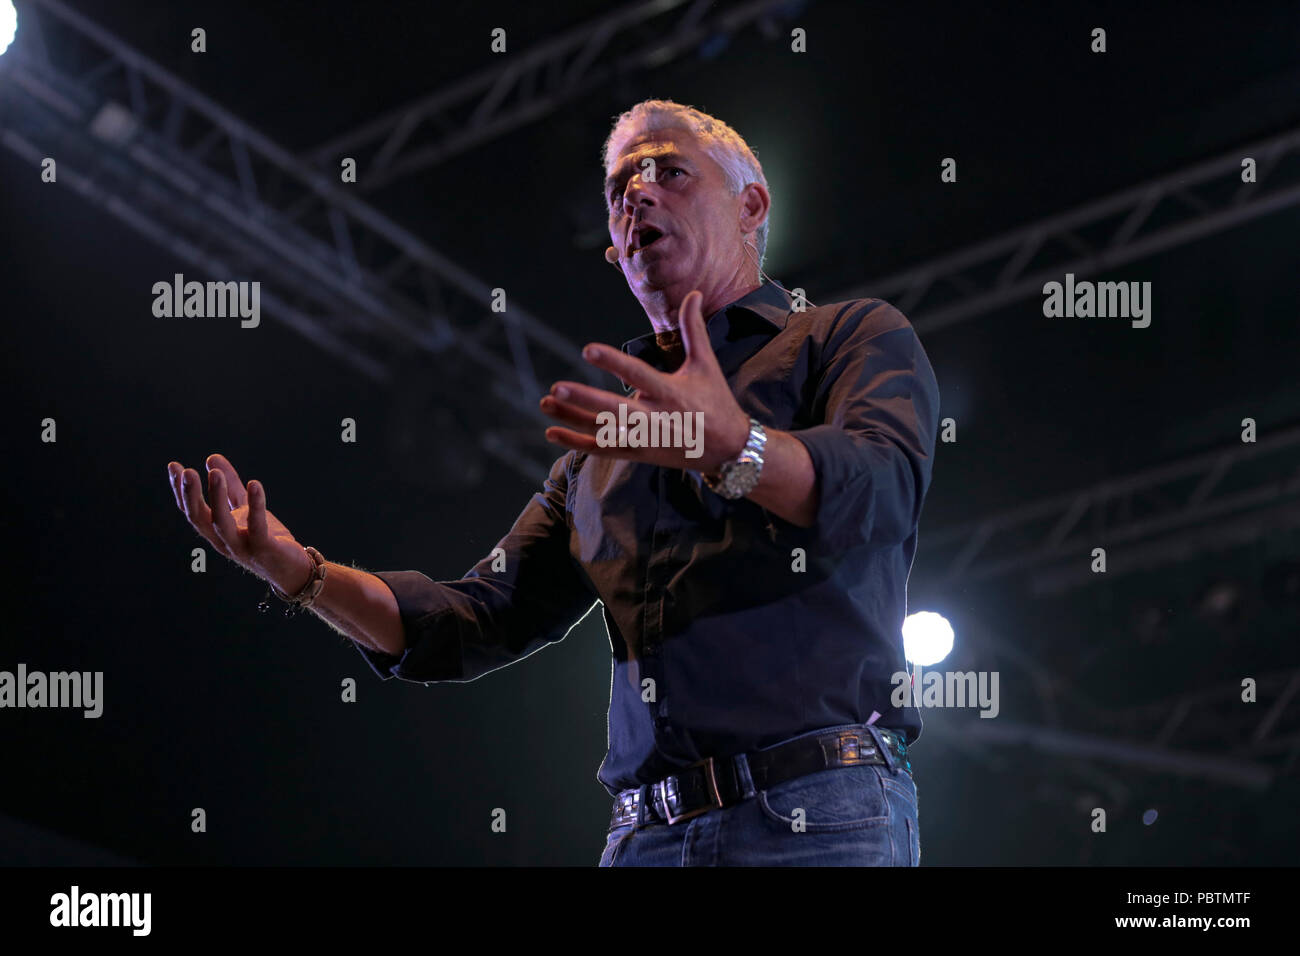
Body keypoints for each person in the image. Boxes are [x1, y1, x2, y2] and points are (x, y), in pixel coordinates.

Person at [166, 99, 940, 866]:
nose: (639, 192)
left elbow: (879, 488)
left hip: (815, 813)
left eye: (671, 171)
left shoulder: (848, 335)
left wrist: (732, 445)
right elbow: (479, 619)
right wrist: (298, 571)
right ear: (613, 247)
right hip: (644, 838)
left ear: (751, 205)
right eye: (619, 189)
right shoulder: (600, 454)